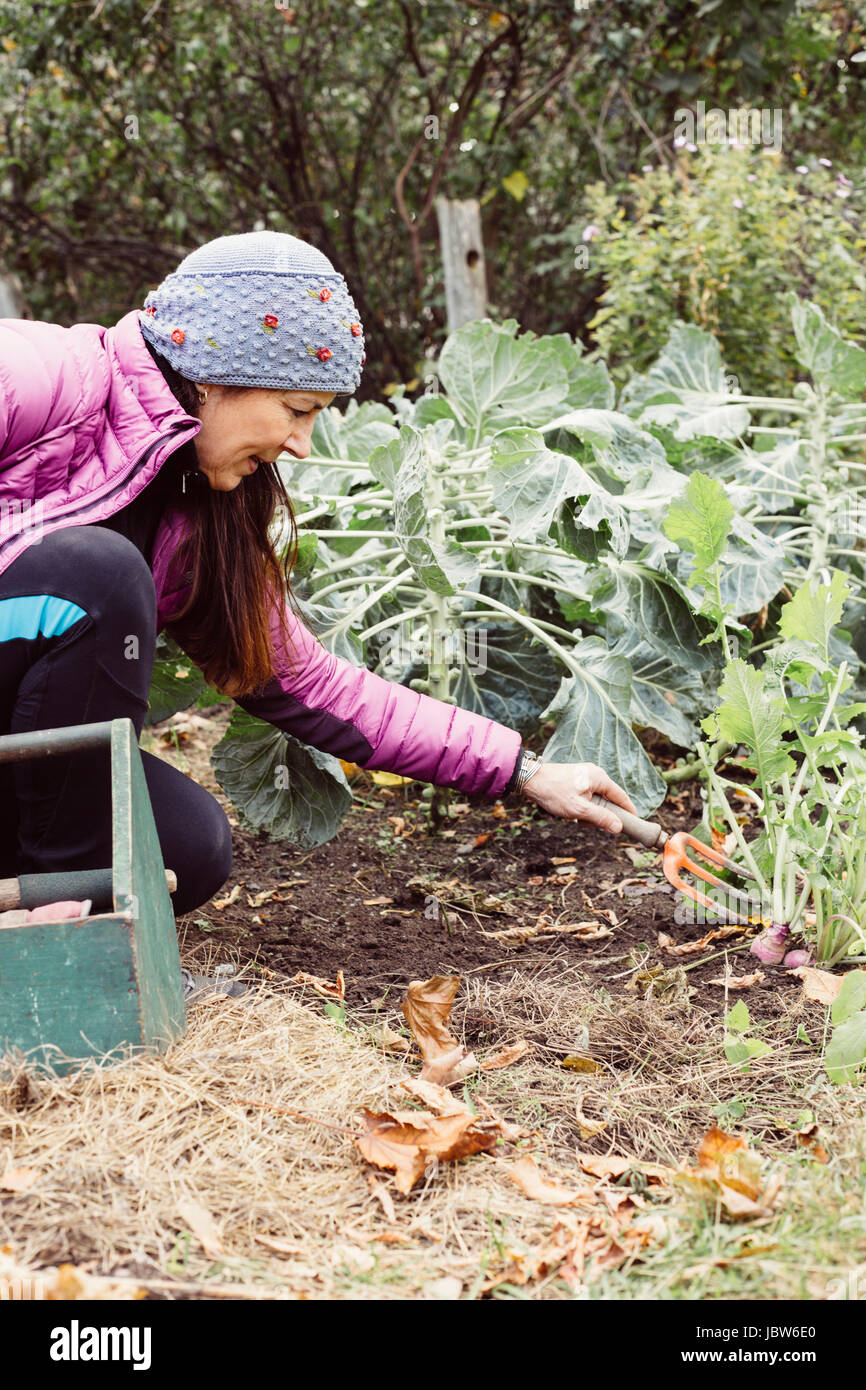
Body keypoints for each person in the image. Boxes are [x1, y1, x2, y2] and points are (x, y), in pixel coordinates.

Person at [0, 231, 637, 917]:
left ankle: (36, 904)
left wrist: (524, 771)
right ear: (212, 372)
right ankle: (52, 928)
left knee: (186, 850)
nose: (301, 445)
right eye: (297, 410)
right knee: (98, 577)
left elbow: (310, 682)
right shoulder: (43, 376)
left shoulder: (196, 513)